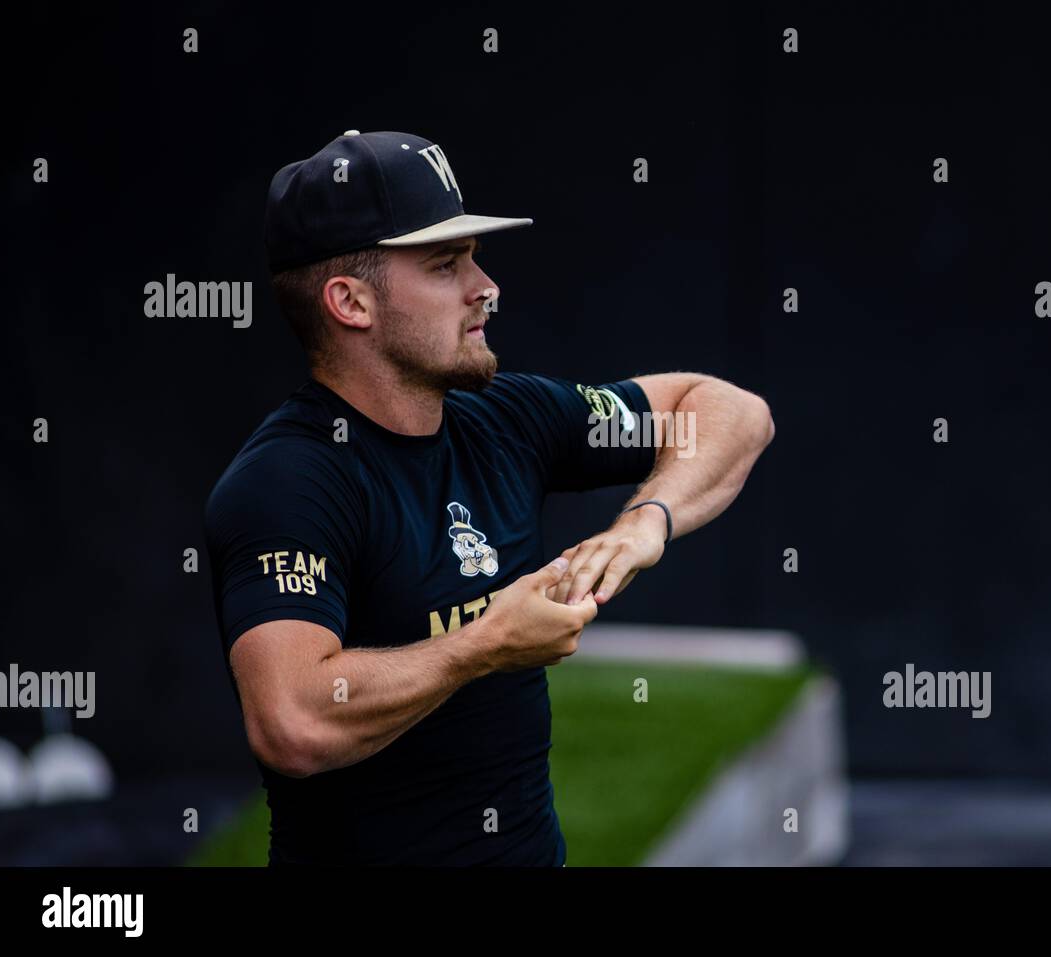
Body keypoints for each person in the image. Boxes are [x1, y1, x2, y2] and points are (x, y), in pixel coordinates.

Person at [203, 130, 775, 865]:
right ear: (350, 301)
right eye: (446, 265)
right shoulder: (287, 482)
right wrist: (481, 645)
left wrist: (645, 522)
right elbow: (292, 721)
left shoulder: (509, 420)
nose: (486, 287)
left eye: (472, 256)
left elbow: (730, 412)